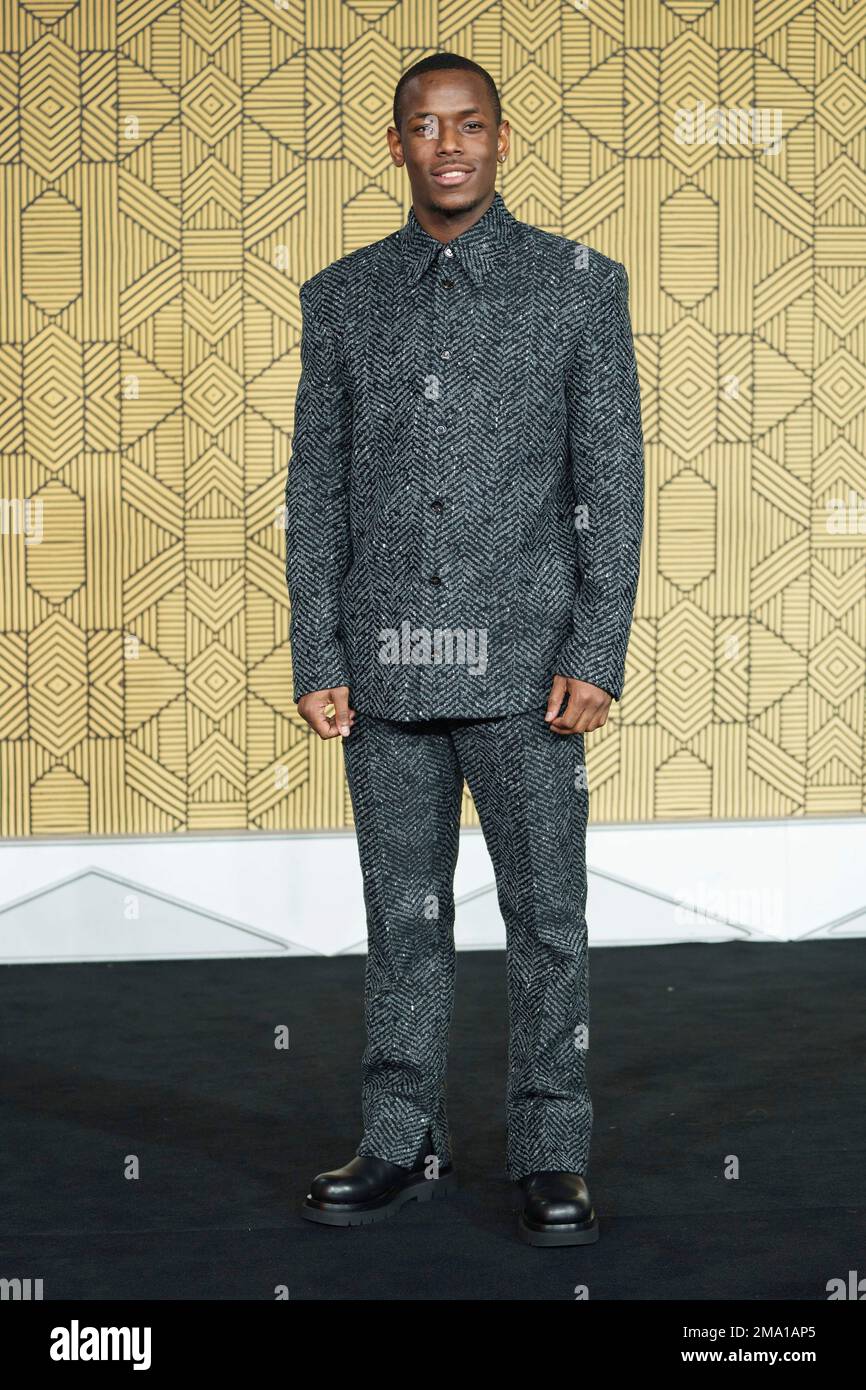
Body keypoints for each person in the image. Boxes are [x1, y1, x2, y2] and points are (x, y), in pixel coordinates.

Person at [285, 52, 644, 1246]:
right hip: (383, 669)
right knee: (403, 916)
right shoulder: (341, 296)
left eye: (469, 124)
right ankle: (398, 1139)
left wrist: (596, 647)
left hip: (529, 671)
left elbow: (612, 480)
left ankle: (550, 1150)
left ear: (500, 139)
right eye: (424, 127)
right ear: (394, 146)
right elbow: (317, 493)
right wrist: (316, 649)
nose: (448, 144)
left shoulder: (577, 288)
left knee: (545, 919)